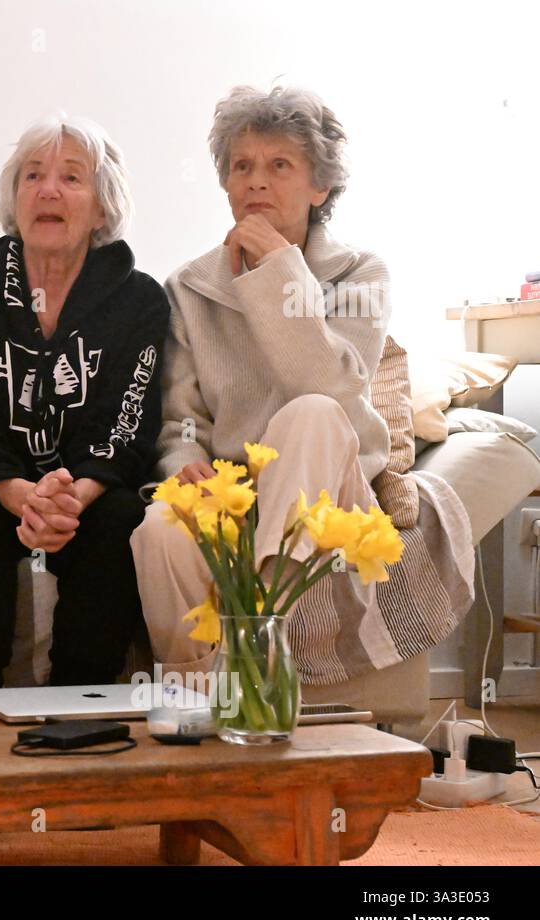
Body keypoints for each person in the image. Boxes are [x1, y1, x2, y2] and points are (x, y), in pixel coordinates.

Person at [131, 85, 391, 675]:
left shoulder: (361, 273)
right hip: (233, 496)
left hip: (330, 489)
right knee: (159, 527)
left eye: (280, 165)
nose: (255, 181)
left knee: (311, 414)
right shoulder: (190, 287)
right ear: (225, 183)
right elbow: (178, 422)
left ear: (318, 187)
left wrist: (279, 271)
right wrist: (183, 463)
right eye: (241, 166)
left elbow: (330, 387)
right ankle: (198, 694)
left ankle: (257, 642)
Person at [0, 113, 170, 700]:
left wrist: (68, 499)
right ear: (15, 198)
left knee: (119, 520)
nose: (48, 189)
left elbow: (129, 425)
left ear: (102, 208)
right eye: (33, 175)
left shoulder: (140, 302)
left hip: (84, 495)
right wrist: (18, 494)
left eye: (71, 178)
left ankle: (79, 714)